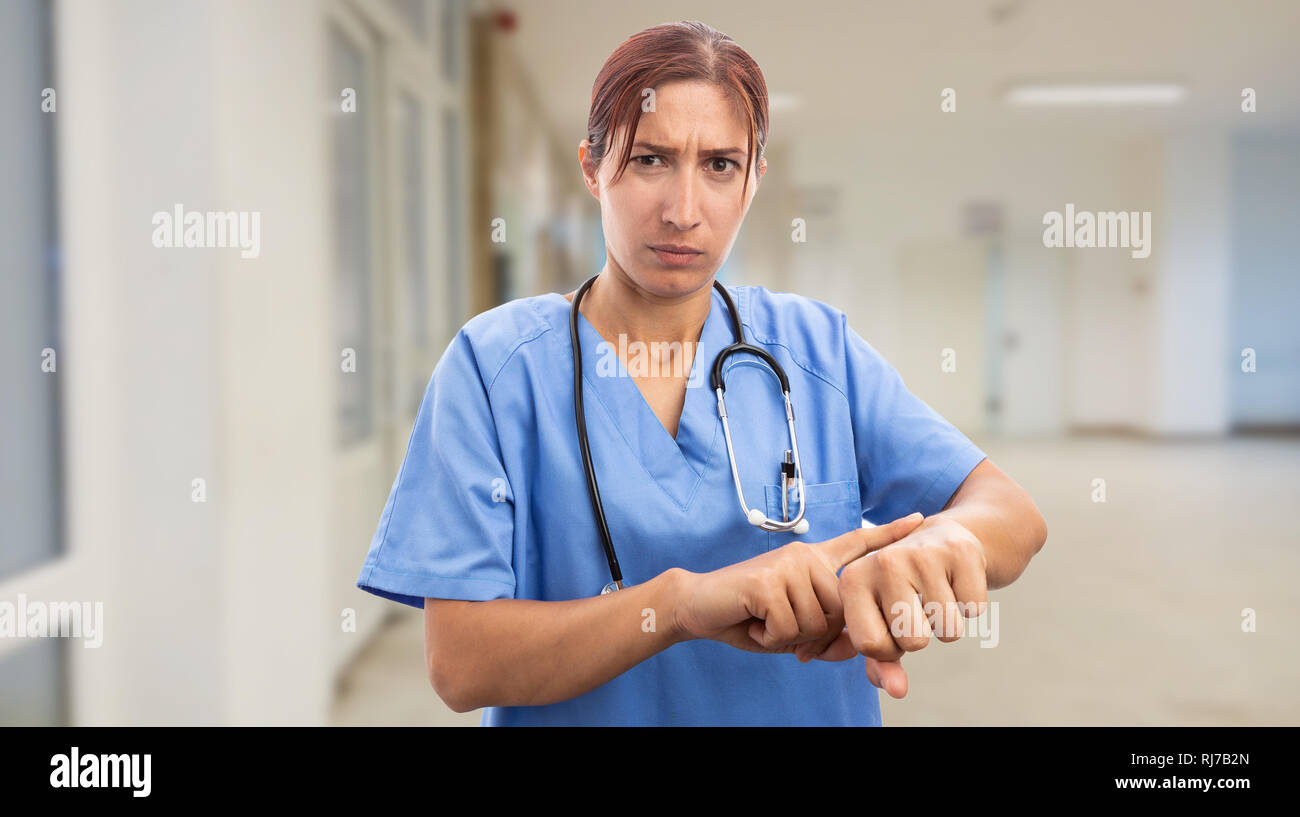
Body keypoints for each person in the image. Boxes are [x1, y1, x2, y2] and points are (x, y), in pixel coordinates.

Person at [355, 20, 1047, 726]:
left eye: (720, 165)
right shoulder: (496, 369)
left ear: (752, 182)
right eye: (651, 160)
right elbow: (462, 664)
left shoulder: (813, 349)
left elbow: (1010, 513)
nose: (684, 212)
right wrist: (680, 603)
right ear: (592, 167)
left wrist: (938, 545)